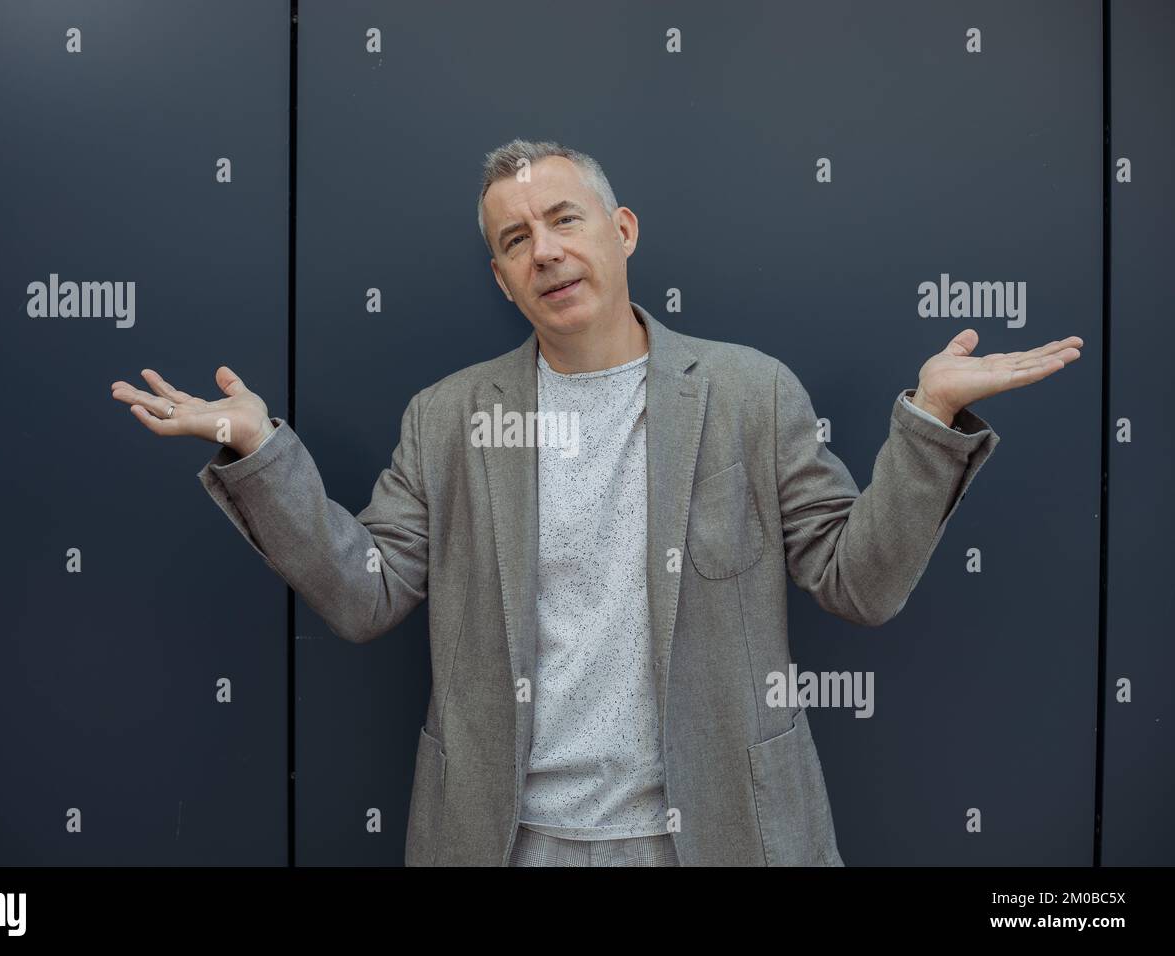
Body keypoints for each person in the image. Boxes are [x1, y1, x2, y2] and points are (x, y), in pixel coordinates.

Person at [110, 138, 1083, 866]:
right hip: (505, 839)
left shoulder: (749, 391)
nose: (544, 250)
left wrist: (929, 417)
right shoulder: (448, 417)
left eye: (564, 219)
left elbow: (857, 584)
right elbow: (365, 594)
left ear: (620, 231)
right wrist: (258, 446)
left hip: (721, 833)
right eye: (515, 238)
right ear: (500, 275)